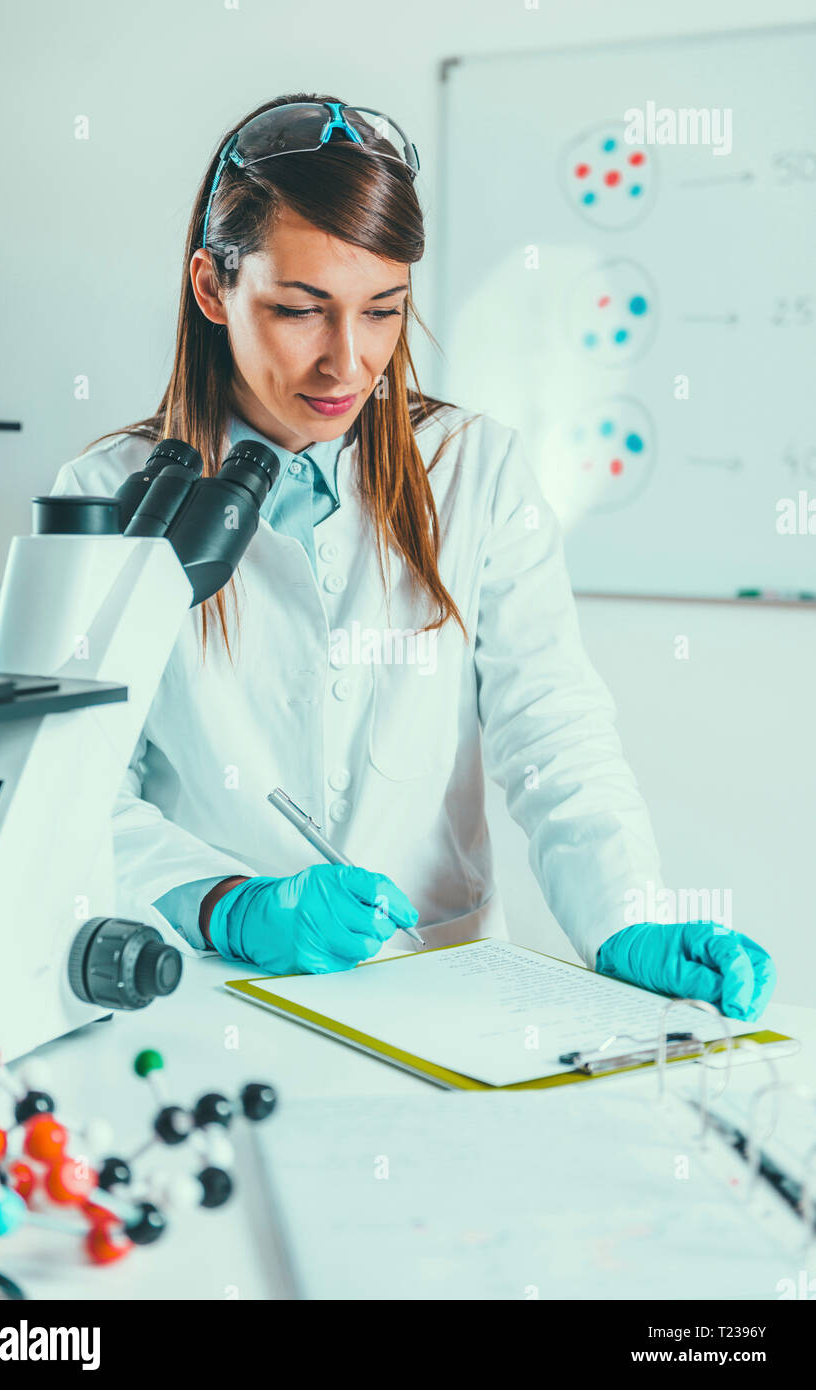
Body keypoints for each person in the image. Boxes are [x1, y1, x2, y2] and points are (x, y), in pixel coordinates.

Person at [49, 93, 774, 1020]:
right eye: (300, 310)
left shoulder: (475, 469)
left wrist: (624, 915)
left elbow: (551, 726)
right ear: (210, 287)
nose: (347, 365)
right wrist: (229, 906)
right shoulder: (102, 496)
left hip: (445, 997)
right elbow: (60, 785)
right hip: (210, 999)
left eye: (382, 312)